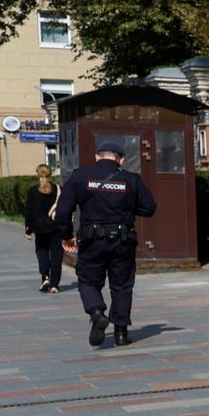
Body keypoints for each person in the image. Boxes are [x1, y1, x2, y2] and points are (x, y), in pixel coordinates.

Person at [54, 141, 156, 347]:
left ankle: (97, 312)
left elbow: (63, 211)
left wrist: (66, 235)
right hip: (123, 240)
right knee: (122, 285)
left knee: (87, 280)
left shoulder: (80, 177)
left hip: (92, 240)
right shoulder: (131, 179)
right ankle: (120, 333)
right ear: (121, 159)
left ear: (97, 157)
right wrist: (127, 207)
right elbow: (149, 207)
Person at [23, 164, 64, 291]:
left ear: (37, 174)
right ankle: (55, 285)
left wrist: (28, 229)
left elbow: (29, 212)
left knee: (42, 252)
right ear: (50, 174)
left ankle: (45, 277)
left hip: (39, 229)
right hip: (56, 228)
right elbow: (64, 209)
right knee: (57, 255)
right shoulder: (58, 189)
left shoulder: (32, 191)